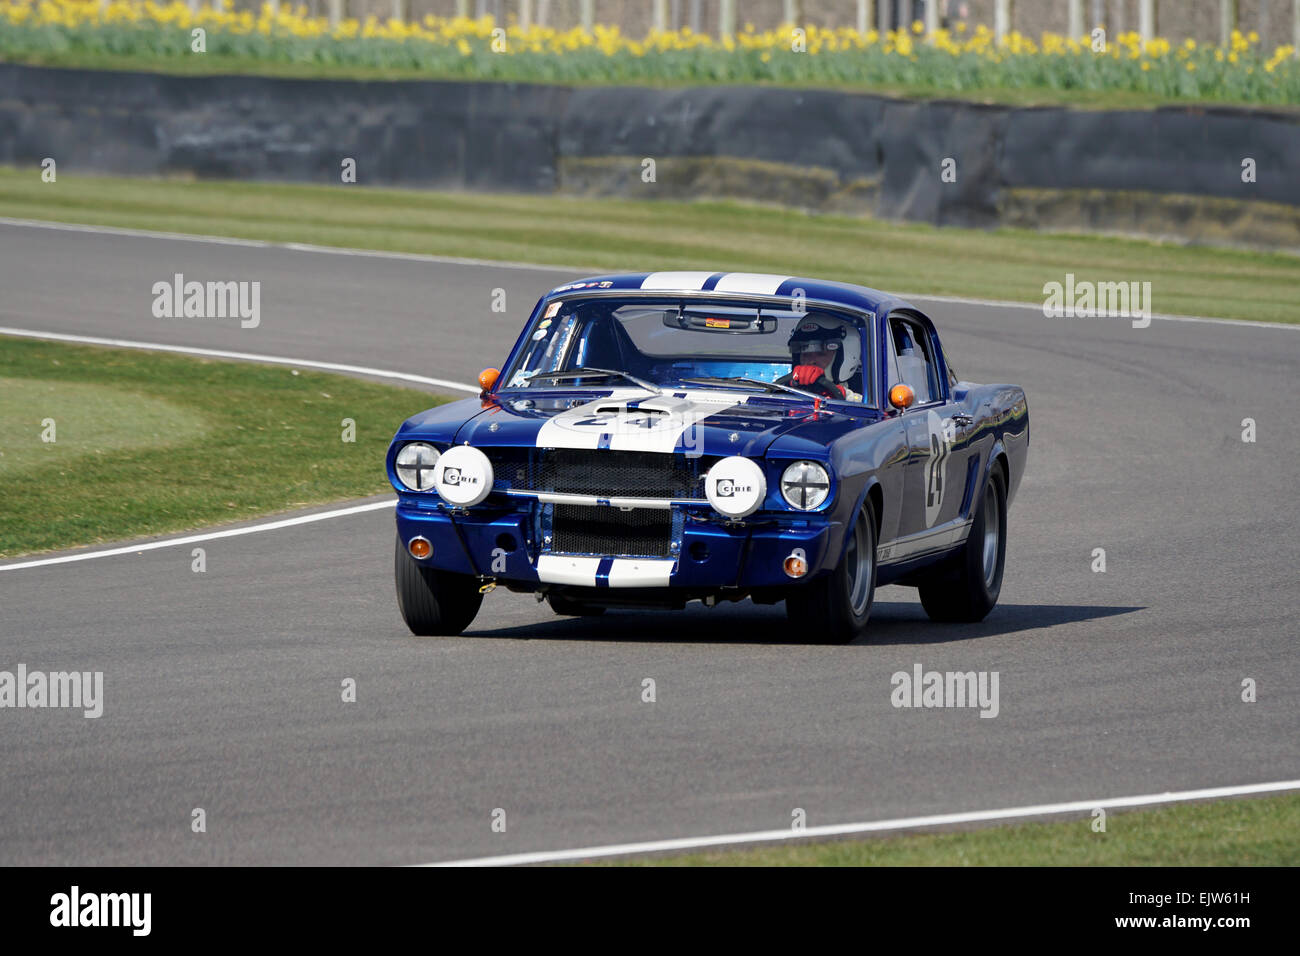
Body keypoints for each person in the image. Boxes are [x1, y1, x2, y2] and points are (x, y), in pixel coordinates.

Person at [776, 314, 863, 402]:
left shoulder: (863, 394)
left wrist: (839, 394)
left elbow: (861, 406)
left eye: (821, 354)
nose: (810, 361)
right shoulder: (784, 391)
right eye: (805, 354)